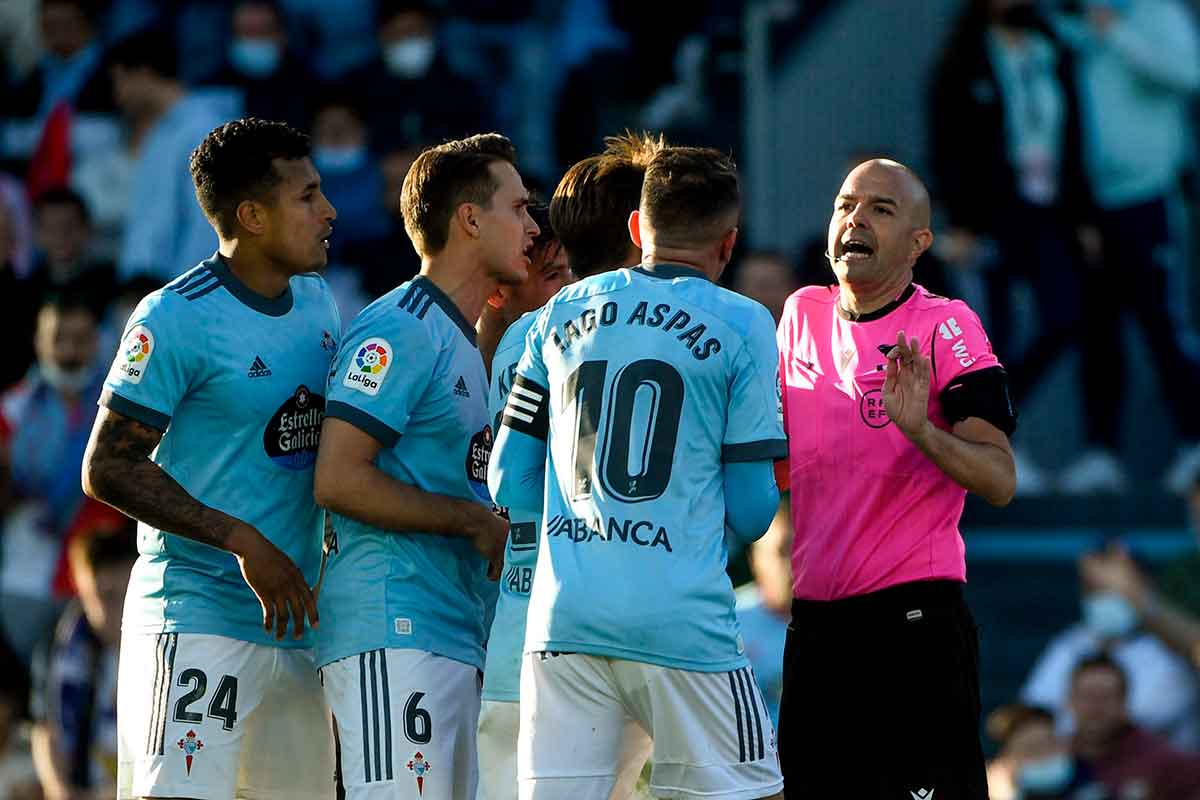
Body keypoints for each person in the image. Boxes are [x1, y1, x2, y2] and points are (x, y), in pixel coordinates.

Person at [489, 145, 786, 800]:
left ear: (636, 227)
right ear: (728, 243)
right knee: (755, 793)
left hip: (564, 620)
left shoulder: (557, 314)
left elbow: (508, 480)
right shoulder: (745, 322)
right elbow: (753, 512)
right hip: (683, 622)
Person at [80, 117, 340, 800]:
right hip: (196, 616)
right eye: (307, 196)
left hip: (298, 627)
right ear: (252, 216)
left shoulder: (319, 303)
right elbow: (107, 467)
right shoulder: (174, 317)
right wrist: (240, 540)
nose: (328, 211)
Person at [774, 158, 1017, 799]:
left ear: (918, 243)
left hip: (911, 625)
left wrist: (922, 432)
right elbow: (783, 464)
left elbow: (999, 479)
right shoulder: (799, 314)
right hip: (815, 628)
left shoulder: (945, 325)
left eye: (881, 210)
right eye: (846, 205)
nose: (855, 220)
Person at [312, 133, 535, 800]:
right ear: (470, 220)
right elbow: (338, 477)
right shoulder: (401, 327)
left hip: (452, 628)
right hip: (393, 625)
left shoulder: (465, 341)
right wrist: (470, 520)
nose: (531, 226)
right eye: (518, 208)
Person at [477, 130, 666, 800]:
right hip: (633, 629)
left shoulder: (525, 337)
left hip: (524, 634)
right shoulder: (667, 333)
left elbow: (508, 481)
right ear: (642, 230)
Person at [1048, 0, 1200, 493]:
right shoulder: (1070, 25)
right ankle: (1101, 452)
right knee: (1098, 329)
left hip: (1150, 197)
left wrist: (1118, 33)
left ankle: (1194, 440)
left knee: (1163, 323)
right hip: (1092, 207)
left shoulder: (1157, 15)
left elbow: (1189, 73)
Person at [1, 285, 109, 669]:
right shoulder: (12, 410)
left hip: (97, 580)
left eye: (80, 340)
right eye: (58, 339)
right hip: (23, 581)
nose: (69, 352)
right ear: (38, 340)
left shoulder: (119, 408)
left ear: (97, 342)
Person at [1022, 548, 1200, 750]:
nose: (1105, 597)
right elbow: (1033, 714)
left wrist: (1144, 603)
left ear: (1145, 586)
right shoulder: (1069, 642)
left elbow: (1140, 720)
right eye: (1095, 588)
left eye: (1115, 588)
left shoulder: (1172, 647)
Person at [108, 28, 239, 281]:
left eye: (119, 81)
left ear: (143, 73)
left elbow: (208, 224)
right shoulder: (159, 134)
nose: (117, 95)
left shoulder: (204, 129)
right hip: (148, 288)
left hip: (182, 289)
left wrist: (186, 291)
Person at [31, 522, 137, 800]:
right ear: (81, 588)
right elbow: (44, 727)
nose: (116, 610)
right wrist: (60, 789)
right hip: (81, 783)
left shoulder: (163, 653)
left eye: (125, 595)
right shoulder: (59, 645)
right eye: (104, 596)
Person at [1069, 654, 1200, 799]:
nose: (1096, 707)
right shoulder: (1056, 756)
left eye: (1106, 697)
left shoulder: (1162, 760)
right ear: (1069, 701)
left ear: (1124, 703)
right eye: (1088, 696)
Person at [984, 703, 1109, 800]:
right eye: (1031, 749)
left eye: (1049, 744)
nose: (1042, 754)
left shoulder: (1090, 780)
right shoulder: (994, 789)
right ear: (1005, 756)